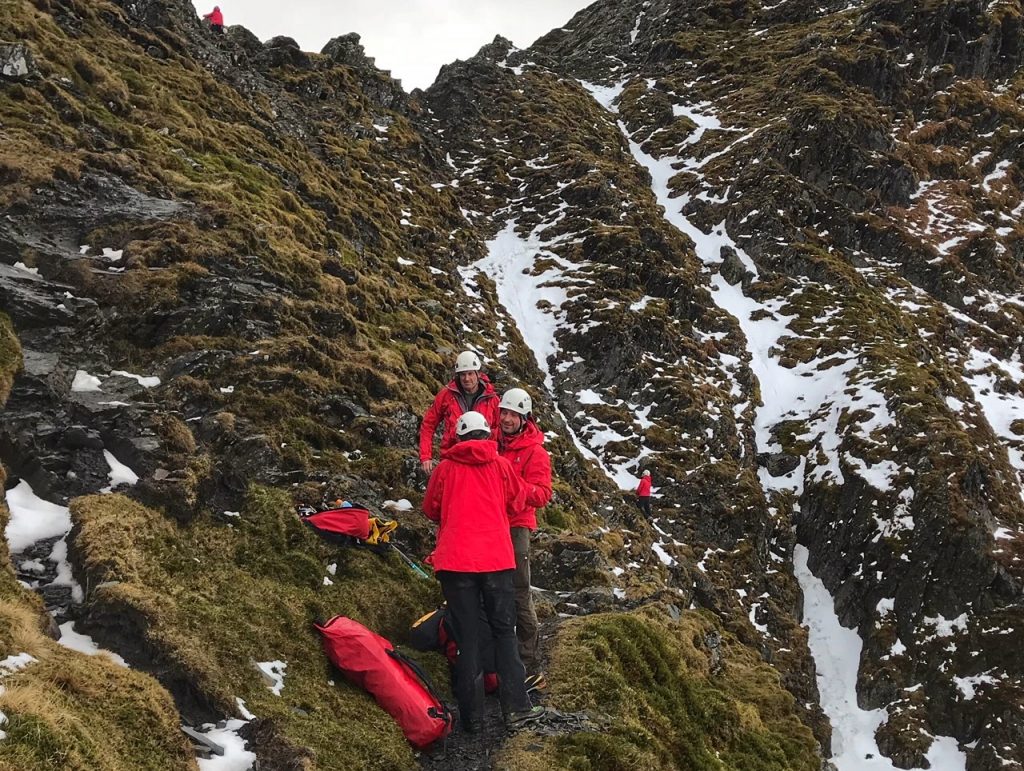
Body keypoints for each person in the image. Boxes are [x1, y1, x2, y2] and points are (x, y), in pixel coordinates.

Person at [422, 411, 543, 732]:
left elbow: (430, 509)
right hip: (497, 563)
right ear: (485, 435)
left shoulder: (445, 469)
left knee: (468, 639)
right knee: (504, 633)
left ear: (460, 437)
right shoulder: (502, 465)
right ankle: (516, 708)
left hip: (455, 564)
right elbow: (518, 502)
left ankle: (472, 720)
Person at [497, 387, 551, 692]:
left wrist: (511, 486)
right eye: (503, 412)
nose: (506, 418)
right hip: (489, 523)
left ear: (524, 418)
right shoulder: (491, 440)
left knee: (518, 591)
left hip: (516, 526)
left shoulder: (535, 452)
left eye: (512, 415)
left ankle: (529, 662)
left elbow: (542, 494)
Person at [419, 351, 499, 475]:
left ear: (478, 374)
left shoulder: (492, 399)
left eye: (470, 374)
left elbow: (499, 431)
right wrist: (425, 456)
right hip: (452, 460)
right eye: (462, 375)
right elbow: (428, 424)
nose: (466, 379)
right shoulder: (446, 395)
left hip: (482, 462)